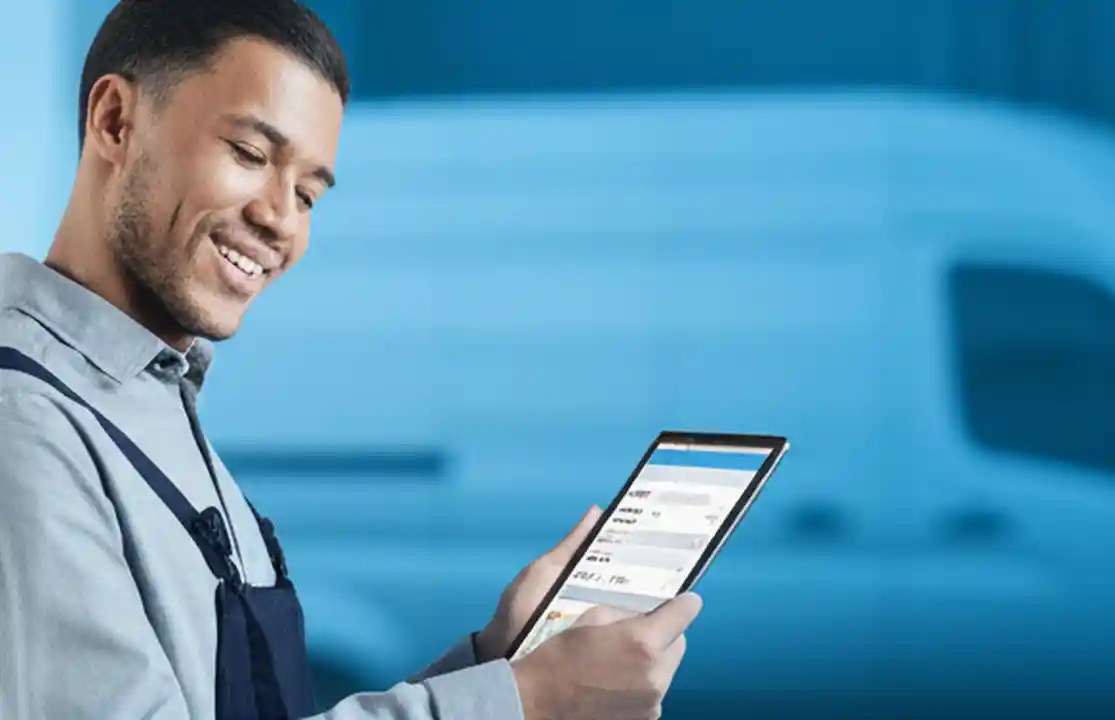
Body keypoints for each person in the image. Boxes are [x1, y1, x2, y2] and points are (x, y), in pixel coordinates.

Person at [0, 1, 702, 718]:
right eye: (249, 154)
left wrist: (495, 660)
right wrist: (522, 702)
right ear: (116, 120)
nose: (280, 220)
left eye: (307, 194)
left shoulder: (152, 400)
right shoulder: (21, 423)